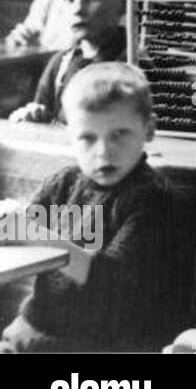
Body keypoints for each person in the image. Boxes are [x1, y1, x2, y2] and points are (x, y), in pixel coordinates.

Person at [0, 63, 166, 352]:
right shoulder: (64, 182)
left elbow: (108, 279)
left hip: (98, 346)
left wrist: (31, 232)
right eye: (88, 138)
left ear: (149, 129)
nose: (103, 151)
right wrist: (6, 222)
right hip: (32, 329)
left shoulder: (149, 196)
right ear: (70, 137)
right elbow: (16, 232)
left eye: (119, 134)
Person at [9, 0, 129, 124]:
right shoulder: (60, 64)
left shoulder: (132, 62)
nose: (78, 9)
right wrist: (34, 115)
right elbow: (43, 115)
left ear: (123, 5)